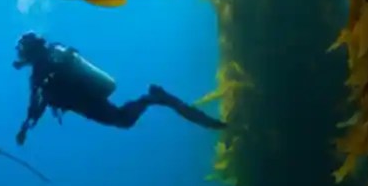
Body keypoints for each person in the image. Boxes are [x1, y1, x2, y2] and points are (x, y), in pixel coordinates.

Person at [12, 31, 224, 146]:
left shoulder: (41, 71)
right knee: (122, 119)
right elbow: (40, 102)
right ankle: (153, 98)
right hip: (89, 96)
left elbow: (36, 104)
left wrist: (25, 128)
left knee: (123, 120)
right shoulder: (51, 59)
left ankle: (152, 98)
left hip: (87, 101)